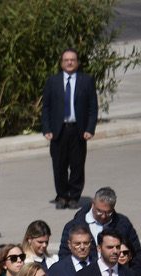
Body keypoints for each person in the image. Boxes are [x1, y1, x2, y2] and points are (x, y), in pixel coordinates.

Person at [41, 50, 97, 210]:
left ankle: (74, 196)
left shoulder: (86, 81)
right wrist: (46, 128)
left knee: (77, 165)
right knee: (59, 166)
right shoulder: (53, 81)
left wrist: (90, 128)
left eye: (72, 60)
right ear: (61, 63)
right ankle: (62, 195)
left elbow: (93, 107)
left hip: (78, 130)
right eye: (66, 60)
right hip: (59, 130)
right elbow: (46, 107)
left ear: (77, 62)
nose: (70, 63)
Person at [58, 188, 141, 264]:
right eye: (99, 211)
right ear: (93, 204)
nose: (103, 216)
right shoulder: (73, 225)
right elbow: (64, 255)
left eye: (108, 212)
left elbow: (136, 253)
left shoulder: (123, 224)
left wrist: (134, 275)